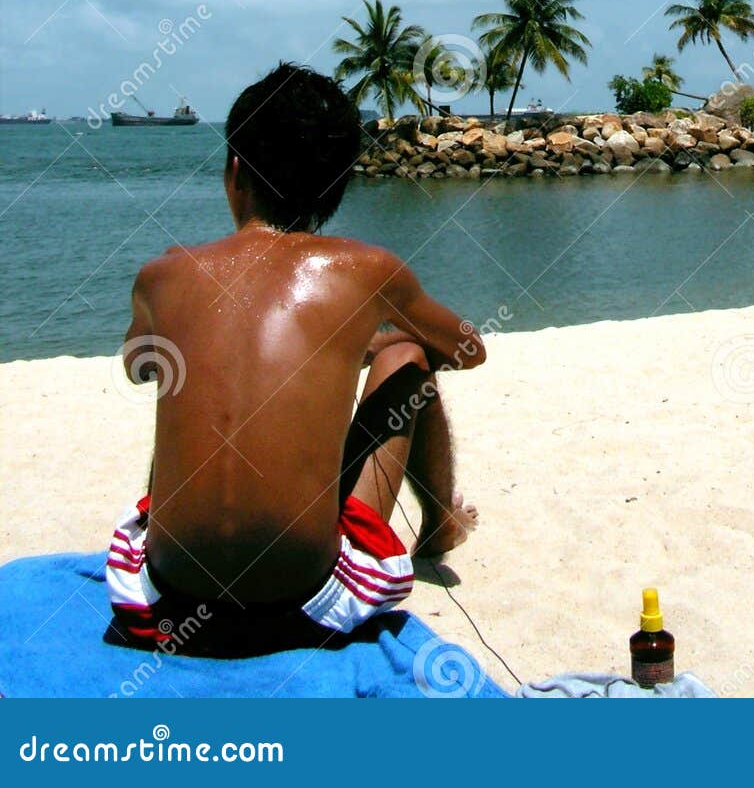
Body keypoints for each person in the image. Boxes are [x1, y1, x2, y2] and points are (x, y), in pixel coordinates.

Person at [106, 63, 485, 652]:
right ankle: (438, 526)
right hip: (307, 603)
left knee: (185, 372)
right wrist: (357, 343)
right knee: (410, 351)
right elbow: (468, 349)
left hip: (160, 601)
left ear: (235, 171)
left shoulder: (162, 275)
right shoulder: (366, 269)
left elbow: (138, 366)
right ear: (339, 184)